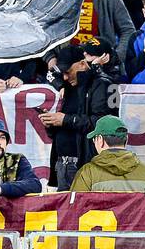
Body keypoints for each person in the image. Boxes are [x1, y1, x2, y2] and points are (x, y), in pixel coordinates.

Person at [42, 44, 113, 189]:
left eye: (68, 72)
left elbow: (104, 124)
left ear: (82, 64)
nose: (65, 77)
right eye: (62, 73)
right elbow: (50, 74)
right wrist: (52, 124)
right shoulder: (68, 85)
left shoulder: (103, 84)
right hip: (61, 163)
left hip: (86, 164)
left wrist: (65, 119)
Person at [70, 115, 145, 192]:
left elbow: (75, 210)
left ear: (100, 140)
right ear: (126, 139)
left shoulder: (87, 173)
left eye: (94, 139)